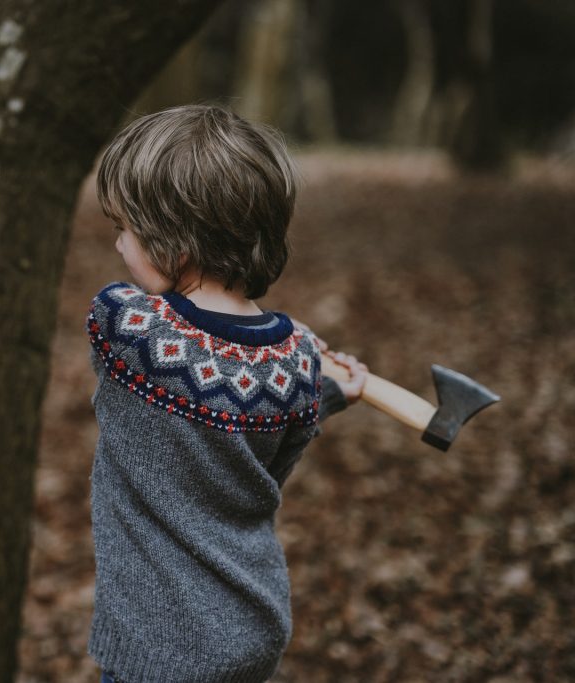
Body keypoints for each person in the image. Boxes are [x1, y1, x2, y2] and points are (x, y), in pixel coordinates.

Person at [85, 104, 367, 683]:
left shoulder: (127, 327)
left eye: (126, 230)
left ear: (176, 242)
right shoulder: (295, 361)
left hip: (160, 645)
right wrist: (329, 389)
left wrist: (321, 384)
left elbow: (205, 379)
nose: (118, 247)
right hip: (251, 625)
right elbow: (268, 423)